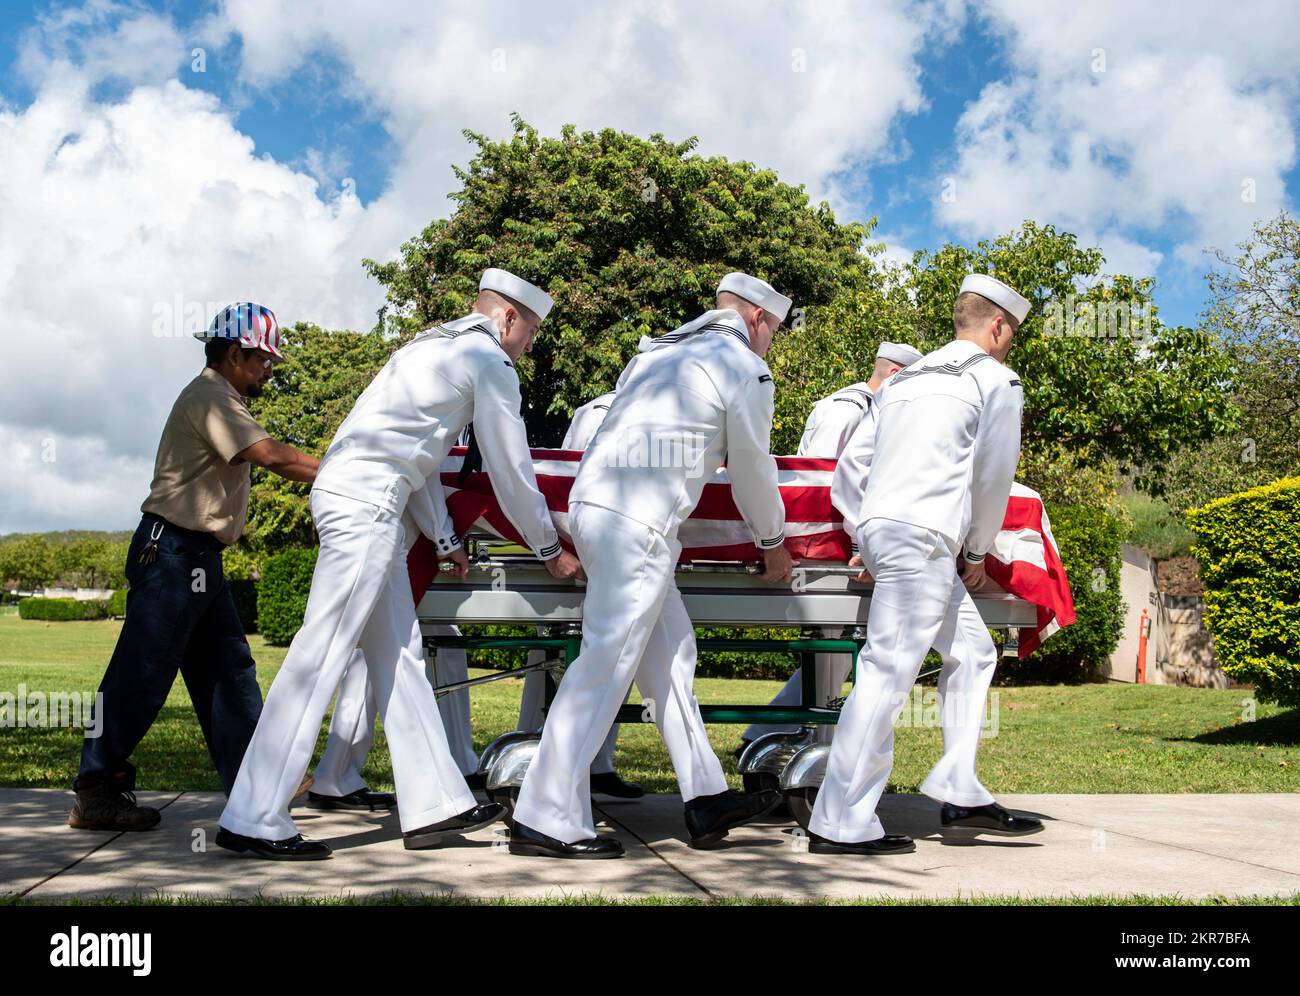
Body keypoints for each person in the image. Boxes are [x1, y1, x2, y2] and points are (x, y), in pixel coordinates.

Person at [217, 269, 582, 860]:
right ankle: (254, 814)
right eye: (531, 333)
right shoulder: (488, 361)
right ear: (509, 318)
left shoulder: (426, 346)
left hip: (365, 496)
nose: (530, 346)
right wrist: (548, 547)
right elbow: (510, 469)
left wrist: (442, 538)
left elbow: (412, 460)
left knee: (399, 652)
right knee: (321, 653)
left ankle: (435, 801)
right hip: (366, 504)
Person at [510, 272, 797, 859]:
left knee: (670, 660)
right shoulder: (743, 365)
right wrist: (772, 540)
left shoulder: (657, 354)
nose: (770, 345)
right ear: (759, 320)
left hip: (600, 510)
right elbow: (751, 466)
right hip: (638, 523)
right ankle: (543, 813)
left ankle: (705, 796)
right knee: (606, 663)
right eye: (774, 333)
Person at [806, 273, 1041, 855]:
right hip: (927, 541)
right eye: (1011, 334)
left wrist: (868, 530)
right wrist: (980, 551)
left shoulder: (904, 380)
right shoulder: (996, 378)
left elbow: (852, 465)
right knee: (887, 672)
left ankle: (960, 787)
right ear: (998, 326)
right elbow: (993, 476)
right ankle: (840, 822)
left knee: (974, 651)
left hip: (893, 534)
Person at [70, 304, 319, 832]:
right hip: (173, 554)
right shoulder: (211, 397)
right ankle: (96, 789)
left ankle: (257, 781)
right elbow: (273, 456)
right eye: (263, 361)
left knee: (228, 672)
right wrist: (347, 473)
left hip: (195, 557)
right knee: (141, 674)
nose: (268, 371)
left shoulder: (221, 396)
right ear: (236, 354)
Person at [739, 341, 922, 748]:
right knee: (832, 651)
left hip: (841, 542)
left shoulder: (856, 406)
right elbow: (816, 483)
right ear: (894, 376)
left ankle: (786, 735)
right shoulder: (850, 409)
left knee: (836, 654)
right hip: (827, 549)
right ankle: (802, 741)